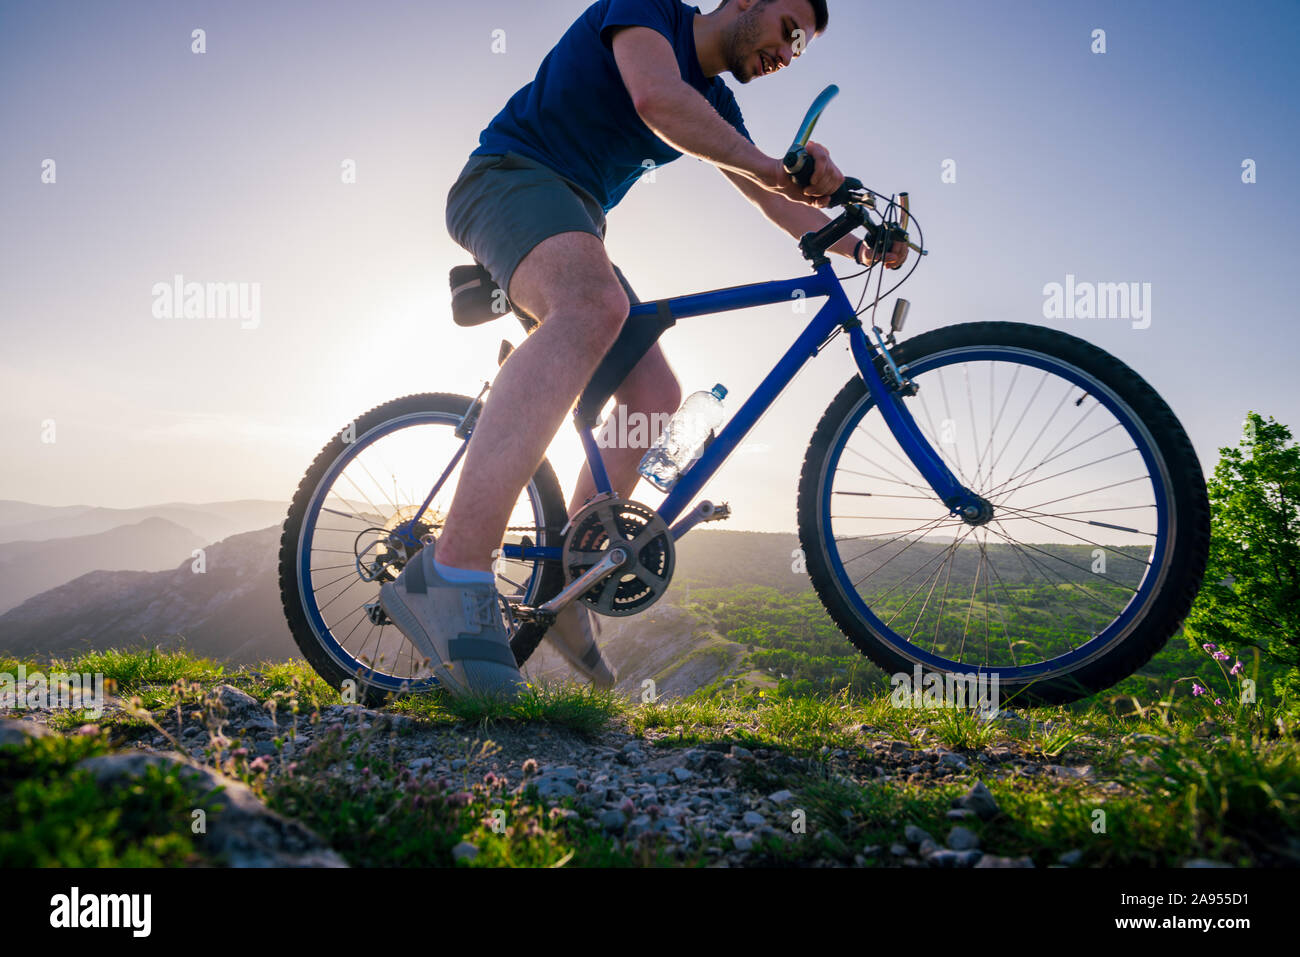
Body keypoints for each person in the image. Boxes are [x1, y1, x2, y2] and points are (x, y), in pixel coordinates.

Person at [380, 0, 907, 699]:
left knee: (655, 396)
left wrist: (859, 241)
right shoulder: (647, 8)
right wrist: (773, 167)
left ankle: (565, 588)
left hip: (574, 221)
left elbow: (768, 197)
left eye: (801, 48)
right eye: (788, 29)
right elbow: (655, 97)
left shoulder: (715, 100)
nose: (789, 51)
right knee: (593, 305)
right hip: (508, 179)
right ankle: (453, 572)